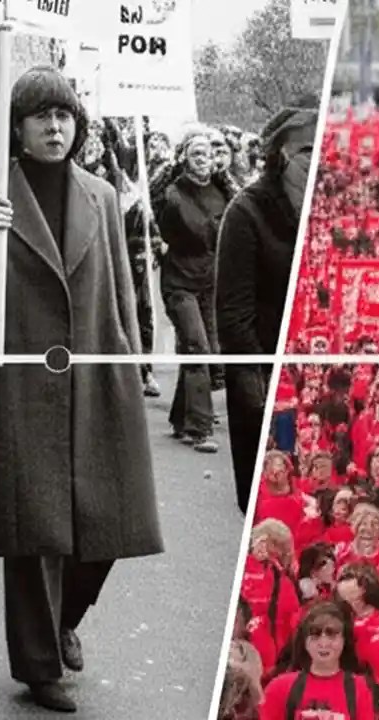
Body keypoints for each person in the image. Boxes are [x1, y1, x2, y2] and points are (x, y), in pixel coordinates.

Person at [0, 65, 164, 714]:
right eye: (42, 117)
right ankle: (38, 666)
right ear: (17, 127)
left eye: (64, 117)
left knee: (114, 520)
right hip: (16, 384)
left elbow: (118, 285)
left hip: (94, 374)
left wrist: (132, 358)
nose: (55, 128)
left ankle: (66, 615)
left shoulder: (99, 192)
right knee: (33, 530)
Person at [216, 97, 318, 513]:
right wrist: (261, 382)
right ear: (282, 155)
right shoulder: (247, 212)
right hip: (266, 378)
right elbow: (233, 313)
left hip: (313, 372)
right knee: (271, 500)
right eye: (309, 150)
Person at [158, 125, 236, 454]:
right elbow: (174, 225)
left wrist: (229, 179)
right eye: (197, 153)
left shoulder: (224, 191)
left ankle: (180, 417)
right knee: (197, 348)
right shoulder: (173, 193)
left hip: (209, 282)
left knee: (204, 350)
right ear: (185, 159)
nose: (205, 159)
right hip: (179, 282)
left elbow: (240, 219)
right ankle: (200, 428)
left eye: (210, 152)